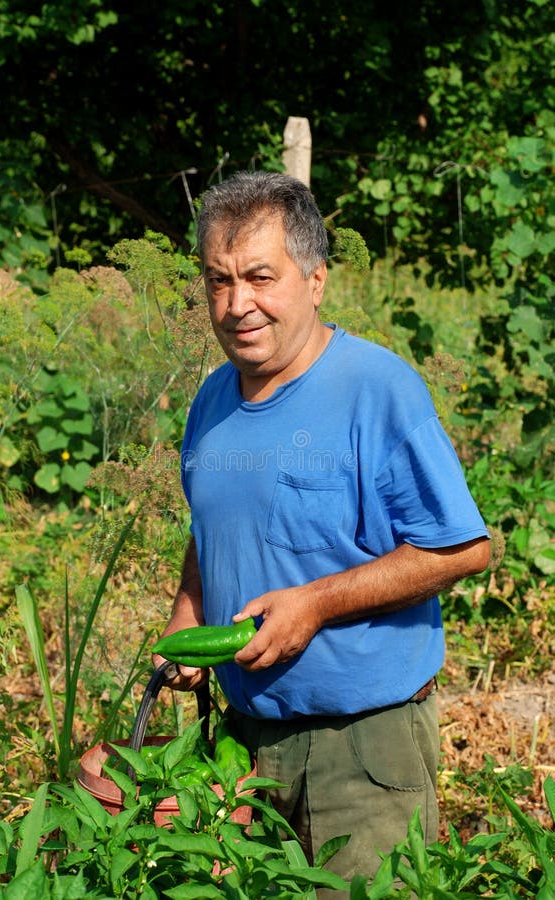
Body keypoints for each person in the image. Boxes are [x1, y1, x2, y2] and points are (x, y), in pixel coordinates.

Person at [153, 171, 490, 893]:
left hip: (362, 747)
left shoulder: (378, 389)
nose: (238, 304)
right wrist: (191, 609)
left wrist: (316, 603)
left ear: (314, 280)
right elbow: (212, 524)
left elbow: (462, 547)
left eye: (260, 278)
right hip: (241, 745)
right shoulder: (213, 397)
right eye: (219, 280)